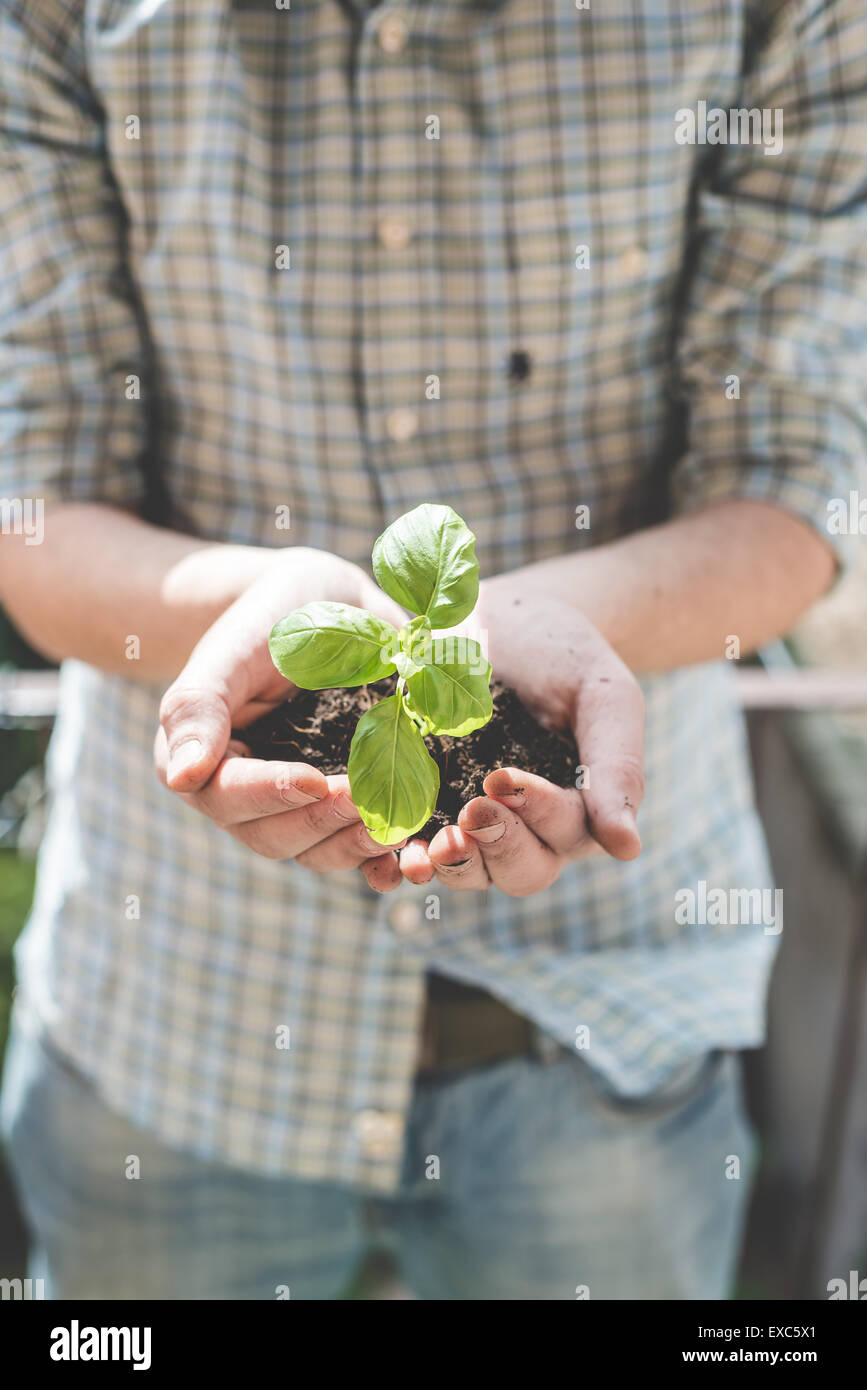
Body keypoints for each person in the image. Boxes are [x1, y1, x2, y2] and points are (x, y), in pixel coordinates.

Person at [0, 0, 864, 1300]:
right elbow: (30, 489)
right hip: (177, 1004)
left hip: (602, 1010)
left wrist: (537, 631)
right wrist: (274, 607)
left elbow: (802, 489)